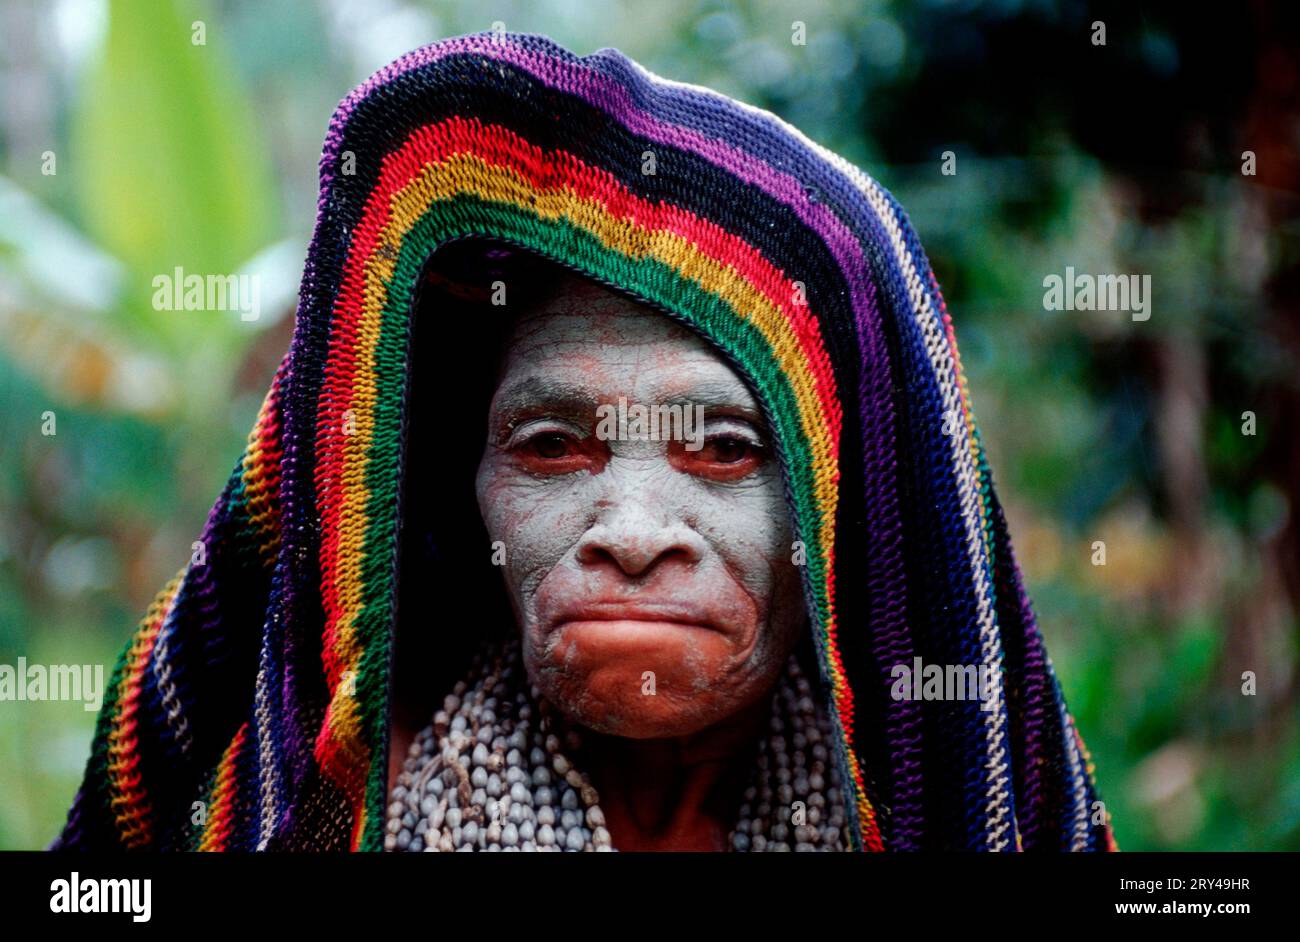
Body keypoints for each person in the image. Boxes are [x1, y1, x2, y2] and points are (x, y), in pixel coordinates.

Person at [51, 31, 1116, 852]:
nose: (634, 535)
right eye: (552, 446)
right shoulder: (356, 807)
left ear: (837, 513)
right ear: (462, 489)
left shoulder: (911, 801)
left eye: (724, 451)